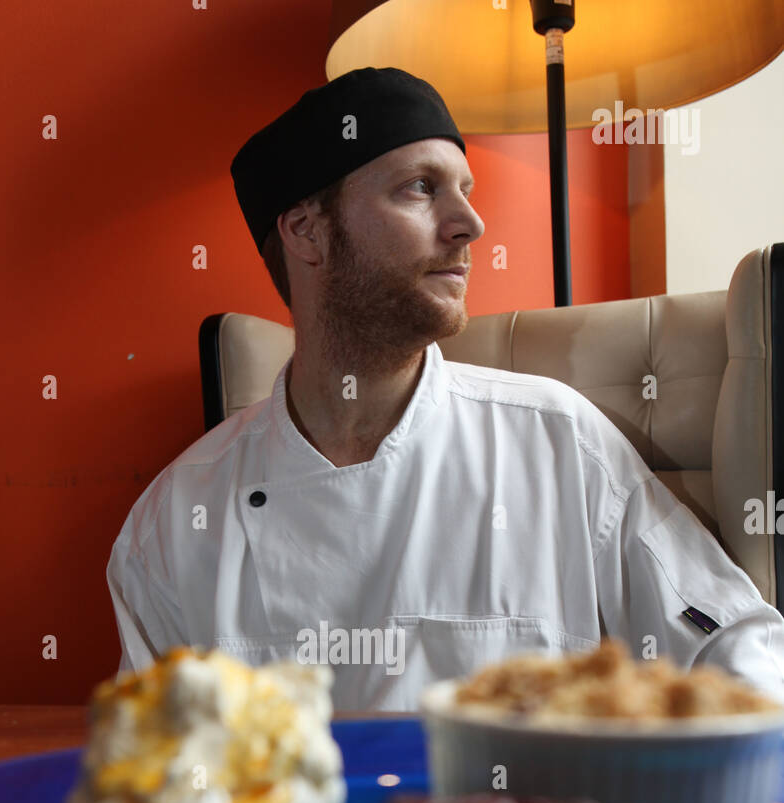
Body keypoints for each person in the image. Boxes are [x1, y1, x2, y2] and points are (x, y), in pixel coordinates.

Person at [106, 66, 784, 710]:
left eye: (466, 189)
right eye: (421, 188)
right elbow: (153, 771)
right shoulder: (175, 521)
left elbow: (736, 649)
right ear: (307, 231)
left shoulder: (556, 441)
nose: (470, 224)